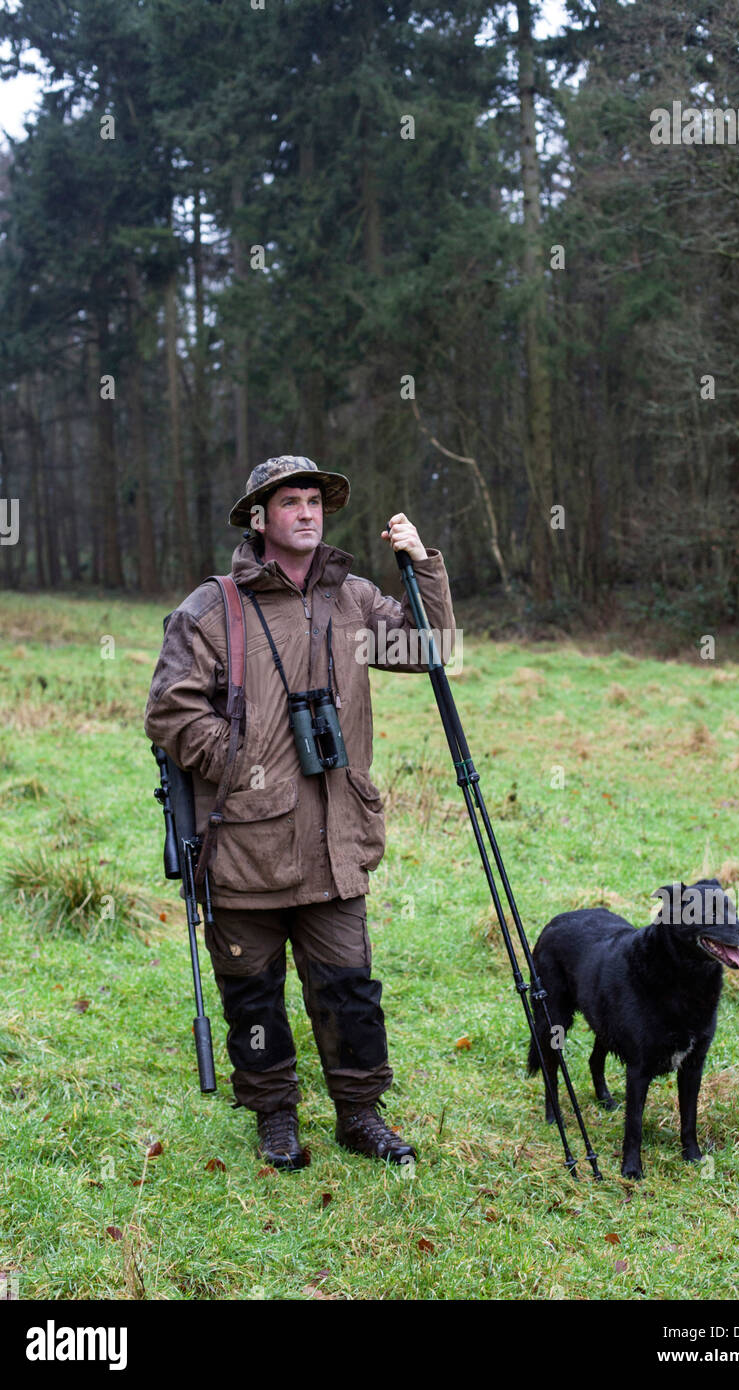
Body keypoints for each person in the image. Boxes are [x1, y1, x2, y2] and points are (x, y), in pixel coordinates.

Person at [144, 455, 456, 1169]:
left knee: (349, 985)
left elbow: (427, 648)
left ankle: (359, 1114)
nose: (308, 513)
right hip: (245, 843)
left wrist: (422, 566)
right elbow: (170, 711)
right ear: (260, 518)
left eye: (315, 501)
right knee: (252, 994)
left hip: (336, 835)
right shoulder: (211, 608)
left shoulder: (351, 597)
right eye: (291, 502)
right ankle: (274, 1116)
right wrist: (247, 763)